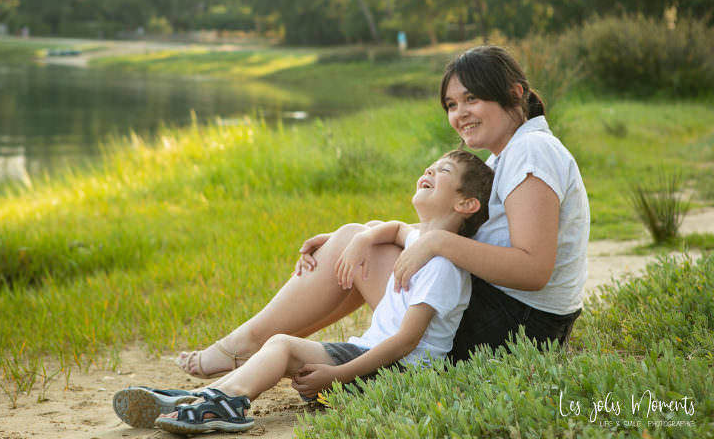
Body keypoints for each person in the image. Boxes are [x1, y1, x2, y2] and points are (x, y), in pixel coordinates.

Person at [176, 45, 588, 377]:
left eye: (472, 99)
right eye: (450, 104)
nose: (459, 114)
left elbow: (534, 270)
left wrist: (437, 243)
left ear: (514, 92)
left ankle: (246, 347)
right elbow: (458, 237)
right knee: (359, 236)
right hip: (513, 317)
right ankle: (257, 348)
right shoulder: (508, 154)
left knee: (365, 245)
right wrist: (360, 236)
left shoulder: (532, 151)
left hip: (517, 329)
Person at [114, 149, 494, 433]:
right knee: (280, 348)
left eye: (442, 171)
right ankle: (203, 399)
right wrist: (362, 238)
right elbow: (396, 229)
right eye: (431, 165)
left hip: (397, 372)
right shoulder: (422, 241)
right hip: (372, 360)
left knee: (282, 345)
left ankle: (224, 403)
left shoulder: (442, 266)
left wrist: (340, 375)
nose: (429, 170)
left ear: (466, 203)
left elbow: (405, 343)